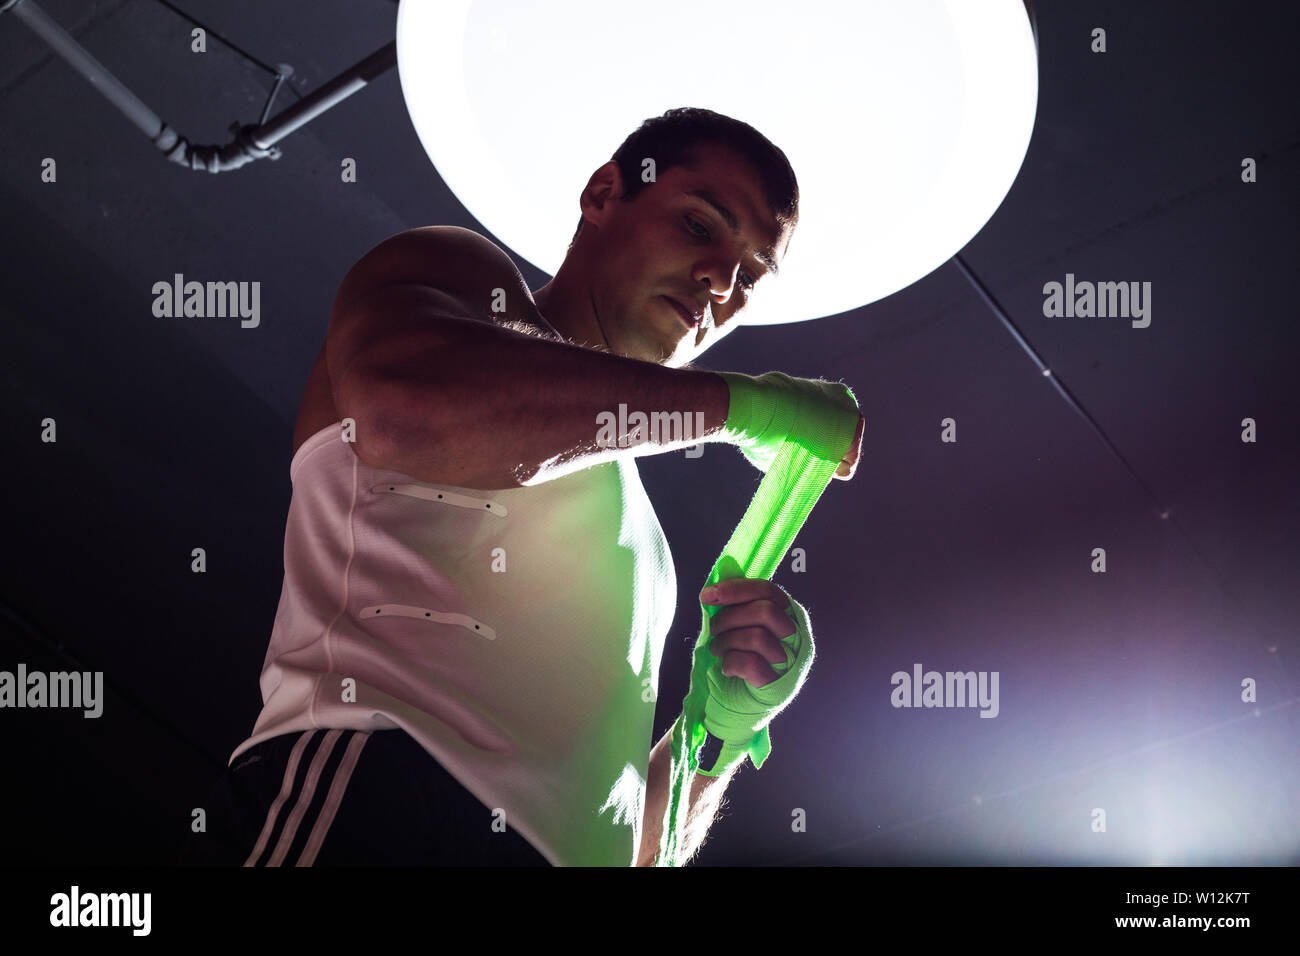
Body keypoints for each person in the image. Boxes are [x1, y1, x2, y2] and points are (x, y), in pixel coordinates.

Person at [179, 106, 863, 868]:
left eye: (751, 275)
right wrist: (741, 406)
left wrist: (718, 735)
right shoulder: (460, 277)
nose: (721, 281)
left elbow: (629, 850)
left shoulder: (649, 546)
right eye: (702, 227)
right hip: (381, 803)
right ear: (604, 194)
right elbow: (404, 412)